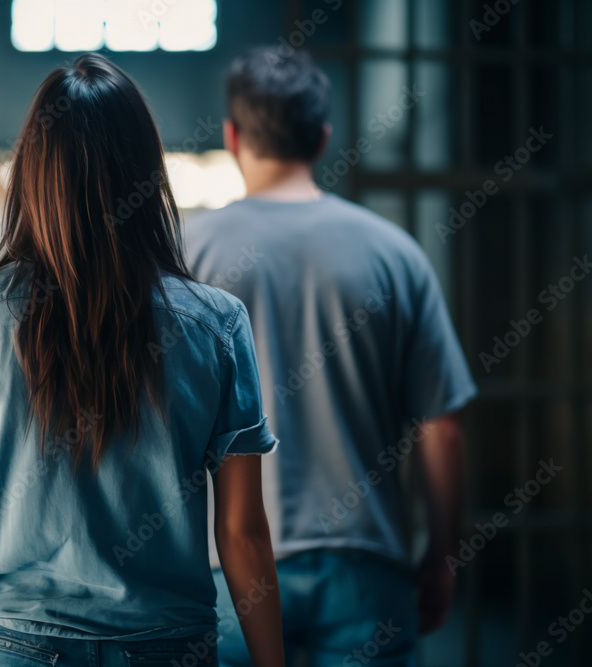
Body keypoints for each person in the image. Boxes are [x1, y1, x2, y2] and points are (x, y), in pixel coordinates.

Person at [0, 53, 285, 667]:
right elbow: (242, 533)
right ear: (146, 175)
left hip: (19, 649)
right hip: (169, 649)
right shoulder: (216, 324)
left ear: (32, 173)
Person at [184, 48, 476, 667]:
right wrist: (442, 555)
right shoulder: (395, 255)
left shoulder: (186, 256)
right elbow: (442, 427)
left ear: (234, 136)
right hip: (366, 569)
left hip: (221, 571)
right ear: (322, 138)